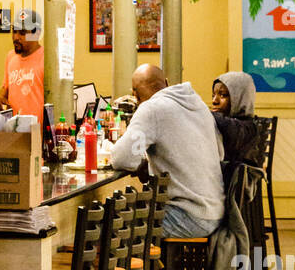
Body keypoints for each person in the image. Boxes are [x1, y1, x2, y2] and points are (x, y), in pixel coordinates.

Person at [110, 63, 225, 238]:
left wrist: (142, 165)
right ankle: (152, 265)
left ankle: (138, 265)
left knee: (112, 222)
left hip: (189, 216)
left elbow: (122, 158)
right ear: (166, 82)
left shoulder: (151, 109)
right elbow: (220, 153)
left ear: (134, 94)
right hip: (216, 211)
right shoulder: (198, 104)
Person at [0, 9, 44, 121]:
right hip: (13, 133)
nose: (16, 37)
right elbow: (5, 89)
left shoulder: (46, 59)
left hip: (37, 134)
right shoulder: (10, 57)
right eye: (14, 31)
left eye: (22, 33)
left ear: (37, 33)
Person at [210, 72, 261, 180]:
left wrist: (202, 111)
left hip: (234, 191)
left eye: (223, 95)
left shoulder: (248, 128)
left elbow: (230, 128)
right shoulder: (220, 121)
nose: (214, 101)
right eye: (213, 95)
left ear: (240, 98)